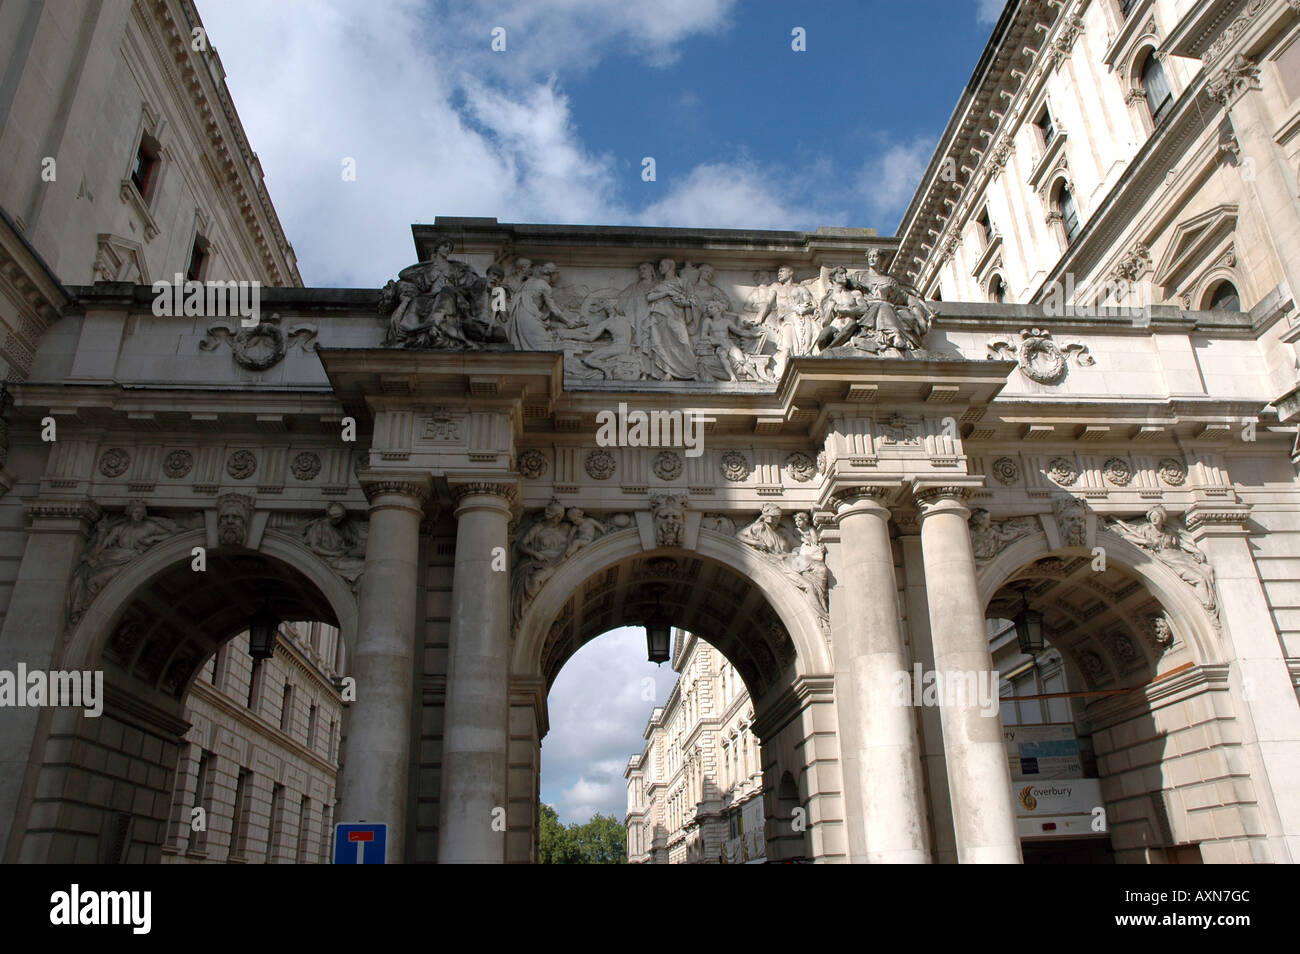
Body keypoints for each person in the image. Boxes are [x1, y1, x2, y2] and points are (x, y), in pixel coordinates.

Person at [645, 258, 699, 379]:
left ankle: (692, 371)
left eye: (662, 265)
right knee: (661, 344)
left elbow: (693, 300)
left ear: (670, 266)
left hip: (676, 316)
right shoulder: (659, 284)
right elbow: (649, 297)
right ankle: (667, 371)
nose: (659, 268)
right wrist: (666, 293)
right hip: (659, 316)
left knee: (683, 341)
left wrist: (683, 302)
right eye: (659, 266)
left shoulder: (682, 282)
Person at [507, 263, 581, 350]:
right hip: (529, 318)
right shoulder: (544, 286)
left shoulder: (528, 282)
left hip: (518, 319)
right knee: (545, 346)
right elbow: (553, 309)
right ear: (552, 274)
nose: (557, 278)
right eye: (557, 274)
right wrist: (568, 322)